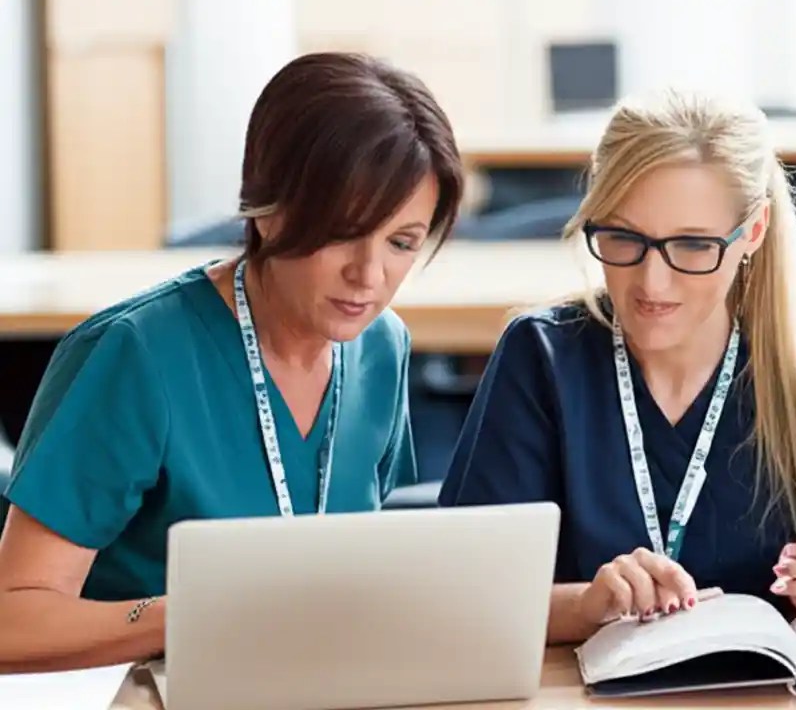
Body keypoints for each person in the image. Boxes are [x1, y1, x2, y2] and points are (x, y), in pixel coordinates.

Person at [0, 52, 464, 672]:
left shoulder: (382, 348)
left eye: (402, 242)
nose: (369, 275)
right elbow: (13, 620)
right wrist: (192, 614)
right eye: (341, 233)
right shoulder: (135, 355)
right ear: (269, 212)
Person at [440, 90, 796, 643]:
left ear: (752, 232)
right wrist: (590, 605)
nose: (651, 283)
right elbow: (462, 601)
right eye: (622, 238)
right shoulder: (542, 360)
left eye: (690, 247)